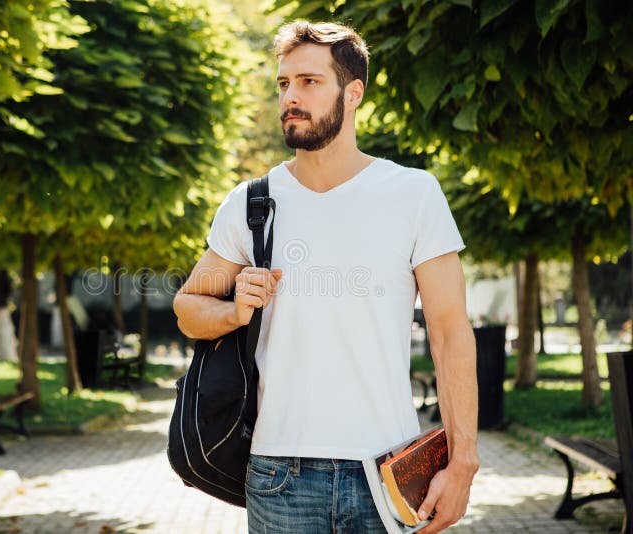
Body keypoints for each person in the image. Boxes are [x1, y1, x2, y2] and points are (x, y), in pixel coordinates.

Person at [173, 21, 478, 533]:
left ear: (352, 92)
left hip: (389, 473)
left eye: (309, 82)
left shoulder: (413, 194)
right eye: (284, 83)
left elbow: (450, 332)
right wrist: (235, 309)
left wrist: (462, 461)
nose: (291, 96)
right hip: (278, 476)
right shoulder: (251, 203)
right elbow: (188, 311)